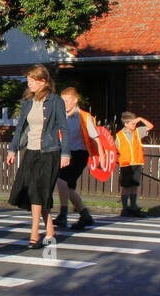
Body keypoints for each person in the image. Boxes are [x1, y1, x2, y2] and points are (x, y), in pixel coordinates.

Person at [6, 64, 68, 247]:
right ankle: (50, 230)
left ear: (43, 81)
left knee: (38, 191)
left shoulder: (56, 101)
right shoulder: (28, 103)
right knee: (35, 191)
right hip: (31, 152)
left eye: (32, 81)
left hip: (49, 152)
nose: (29, 84)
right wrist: (12, 149)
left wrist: (66, 153)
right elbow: (19, 129)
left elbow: (64, 128)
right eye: (28, 81)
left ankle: (34, 233)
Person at [54, 87, 98, 231]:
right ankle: (85, 216)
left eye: (67, 100)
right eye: (63, 100)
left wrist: (101, 157)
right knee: (69, 188)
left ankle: (63, 214)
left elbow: (96, 138)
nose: (64, 103)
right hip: (66, 153)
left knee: (61, 180)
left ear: (75, 100)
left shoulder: (84, 117)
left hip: (80, 154)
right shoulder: (63, 117)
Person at [117, 110, 153, 217]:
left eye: (135, 123)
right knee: (126, 186)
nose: (134, 125)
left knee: (134, 186)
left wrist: (140, 118)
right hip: (126, 164)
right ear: (126, 124)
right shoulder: (119, 135)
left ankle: (133, 206)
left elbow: (150, 126)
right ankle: (125, 208)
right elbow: (114, 149)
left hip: (137, 162)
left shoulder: (138, 131)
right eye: (132, 123)